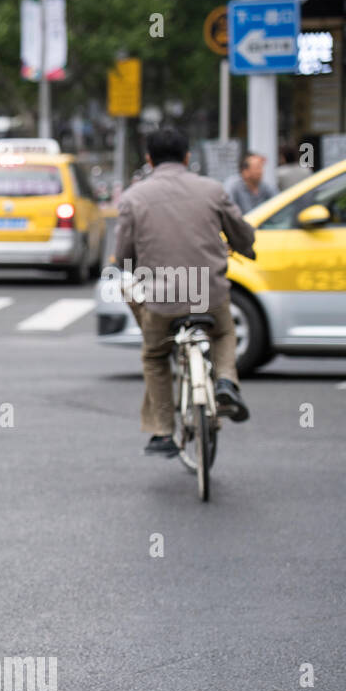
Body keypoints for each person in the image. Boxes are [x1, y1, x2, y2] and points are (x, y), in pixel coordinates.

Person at [114, 127, 256, 458]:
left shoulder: (134, 198)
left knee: (155, 355)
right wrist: (245, 248)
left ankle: (163, 430)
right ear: (187, 157)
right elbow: (241, 234)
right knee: (222, 333)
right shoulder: (213, 189)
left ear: (149, 160)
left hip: (162, 301)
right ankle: (225, 383)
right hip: (209, 294)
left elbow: (122, 256)